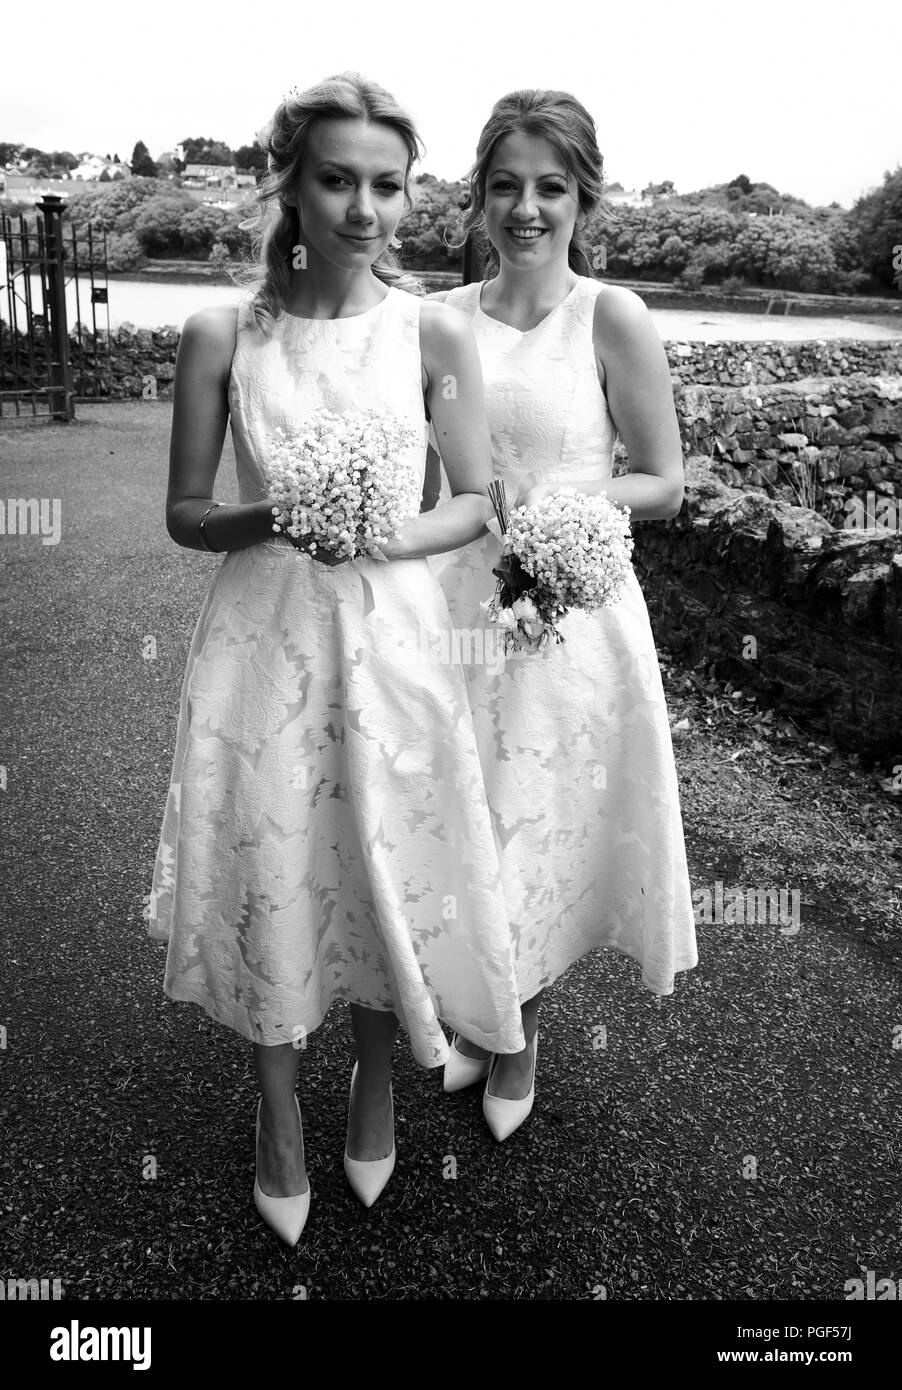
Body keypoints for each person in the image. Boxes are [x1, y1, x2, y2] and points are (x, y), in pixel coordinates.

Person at [146, 72, 525, 1243]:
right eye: (336, 180)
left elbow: (475, 500)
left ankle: (373, 1084)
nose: (364, 208)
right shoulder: (223, 334)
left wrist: (376, 530)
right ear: (289, 185)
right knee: (271, 861)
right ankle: (275, 1118)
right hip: (259, 639)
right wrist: (277, 516)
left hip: (392, 636)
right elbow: (185, 513)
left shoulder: (435, 329)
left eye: (387, 184)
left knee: (377, 858)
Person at [427, 89, 698, 1141]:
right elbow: (427, 477)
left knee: (532, 821)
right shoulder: (441, 319)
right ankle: (476, 1004)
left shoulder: (610, 315)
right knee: (461, 814)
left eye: (548, 187)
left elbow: (663, 482)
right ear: (479, 196)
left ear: (582, 195)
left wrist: (561, 512)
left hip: (569, 610)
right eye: (504, 186)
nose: (524, 208)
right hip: (458, 604)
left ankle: (516, 1034)